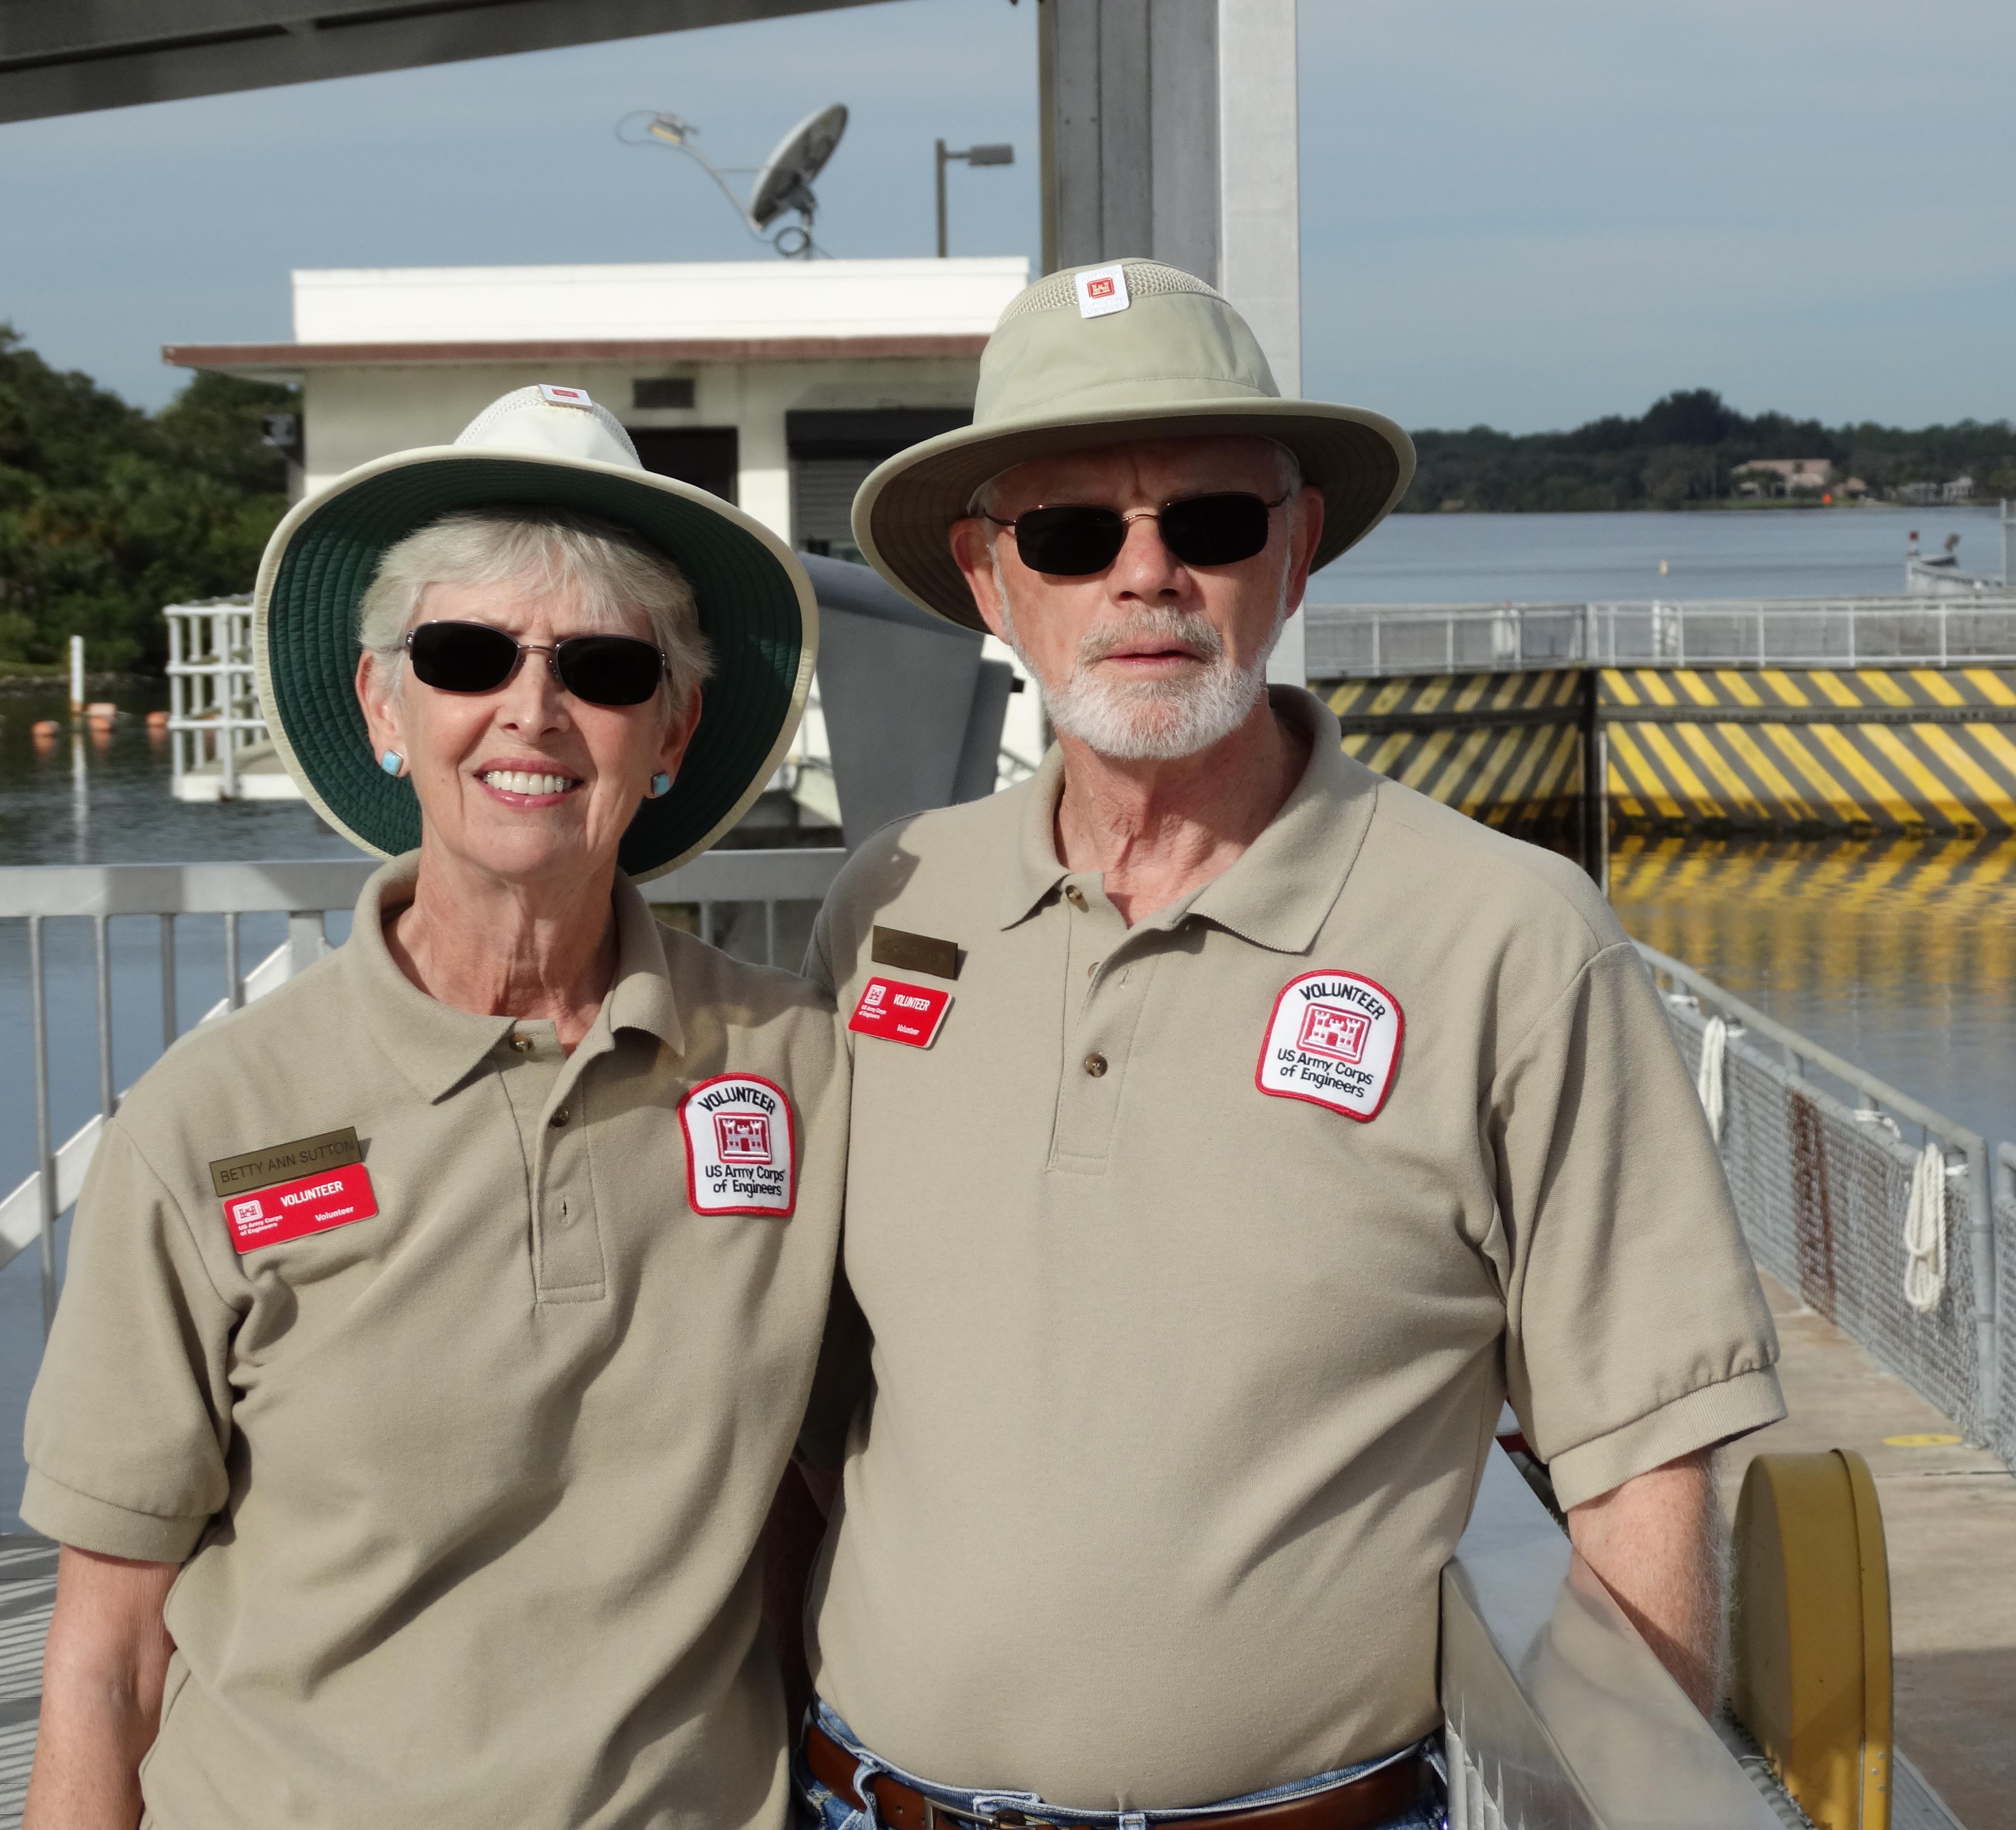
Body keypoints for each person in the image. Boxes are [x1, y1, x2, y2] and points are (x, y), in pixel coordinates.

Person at [791, 261, 1784, 1829]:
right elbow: (813, 1394)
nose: (1147, 578)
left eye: (1210, 522)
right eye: (1070, 536)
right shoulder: (894, 908)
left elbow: (1638, 1459)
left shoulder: (1511, 937)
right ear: (990, 579)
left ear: (1298, 548)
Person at [21, 385, 842, 1830]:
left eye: (604, 668)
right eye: (467, 655)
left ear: (673, 731)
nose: (533, 710)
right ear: (382, 706)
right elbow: (105, 1661)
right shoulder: (209, 1119)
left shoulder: (799, 1071)